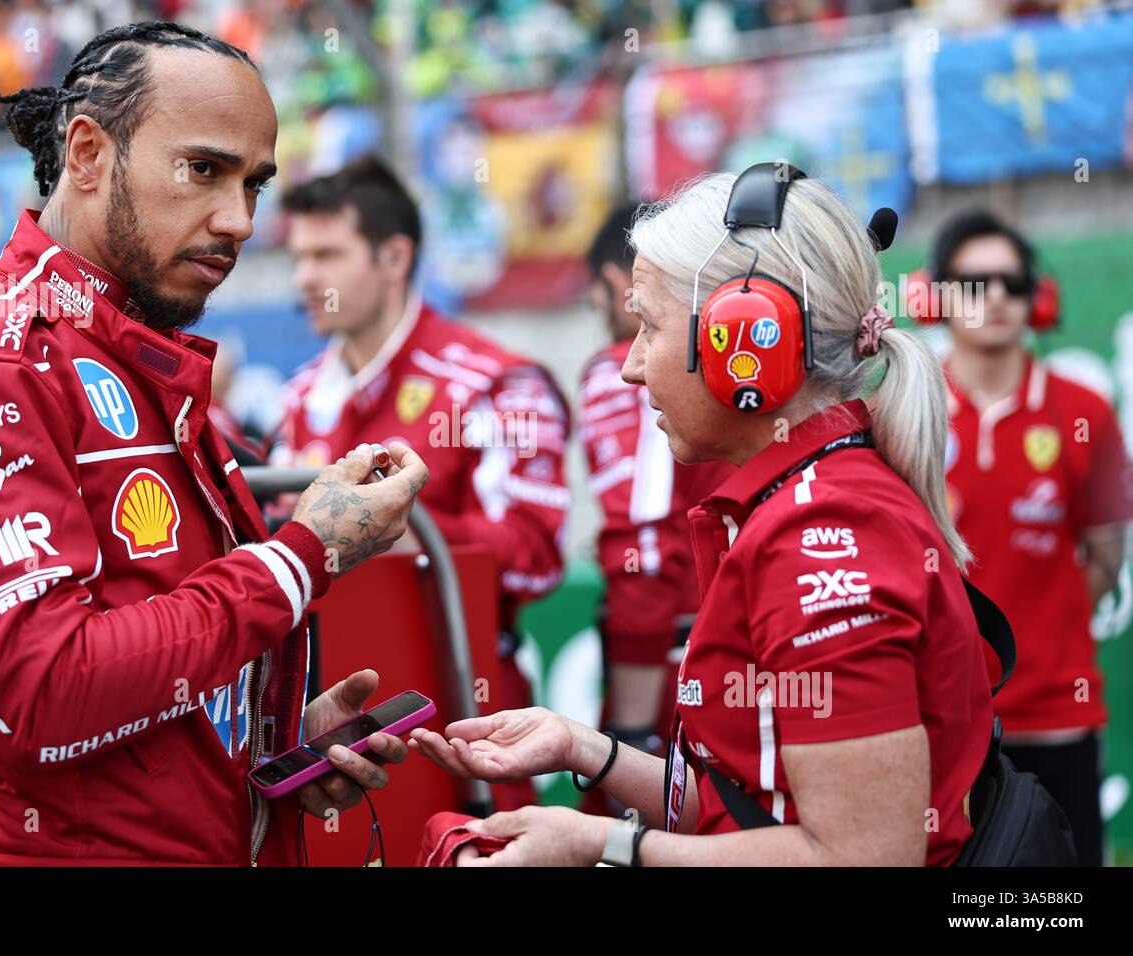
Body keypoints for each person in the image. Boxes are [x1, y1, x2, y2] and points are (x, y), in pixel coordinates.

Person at [0, 21, 428, 867]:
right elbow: (44, 696)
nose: (237, 222)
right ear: (86, 153)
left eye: (254, 186)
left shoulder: (139, 355)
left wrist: (267, 744)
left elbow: (142, 675)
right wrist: (301, 556)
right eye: (202, 170)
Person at [410, 165, 995, 866]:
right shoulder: (803, 505)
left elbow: (859, 856)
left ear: (753, 340)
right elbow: (751, 808)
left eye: (648, 327)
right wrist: (583, 748)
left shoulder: (820, 539)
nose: (629, 367)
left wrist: (604, 841)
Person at [271, 156, 570, 807]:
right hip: (319, 734)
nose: (304, 279)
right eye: (299, 257)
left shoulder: (498, 384)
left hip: (464, 722)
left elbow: (538, 560)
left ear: (394, 257)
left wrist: (391, 533)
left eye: (326, 255)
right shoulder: (295, 402)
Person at [930, 209, 1133, 866]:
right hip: (936, 722)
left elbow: (1104, 556)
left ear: (1034, 296)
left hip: (1058, 715)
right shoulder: (907, 412)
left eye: (1011, 283)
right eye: (973, 282)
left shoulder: (1086, 411)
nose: (993, 298)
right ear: (939, 295)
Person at [579, 203, 734, 763]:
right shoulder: (748, 360)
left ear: (618, 281)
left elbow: (640, 551)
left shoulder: (615, 373)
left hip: (678, 680)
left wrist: (631, 732)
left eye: (594, 295)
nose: (631, 366)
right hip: (757, 661)